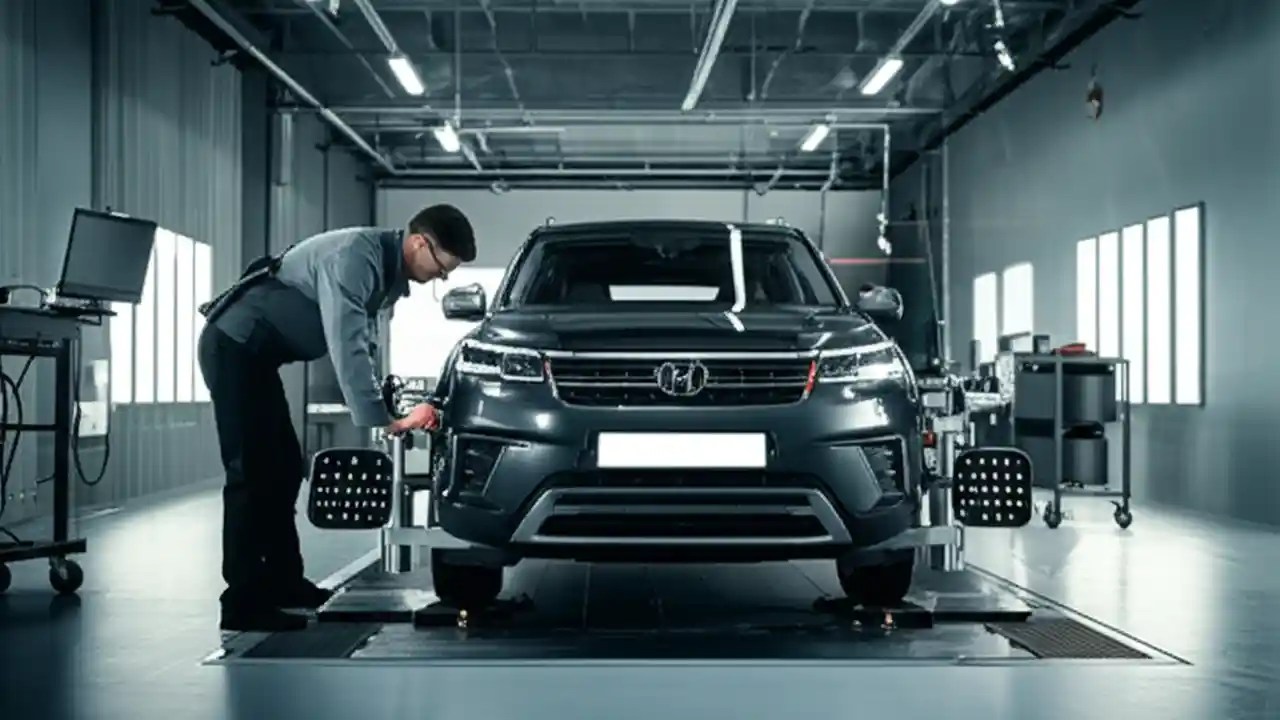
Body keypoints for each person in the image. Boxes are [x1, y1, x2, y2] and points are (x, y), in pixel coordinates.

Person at [197, 204, 476, 632]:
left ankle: (285, 584)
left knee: (284, 469)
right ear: (420, 243)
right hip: (234, 347)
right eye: (441, 269)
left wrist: (384, 403)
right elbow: (347, 343)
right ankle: (242, 602)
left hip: (257, 359)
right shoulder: (355, 257)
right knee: (251, 473)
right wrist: (383, 420)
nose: (440, 278)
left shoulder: (384, 271)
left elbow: (366, 340)